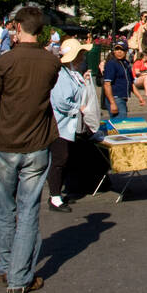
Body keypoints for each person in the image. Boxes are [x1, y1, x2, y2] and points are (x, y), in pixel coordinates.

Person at [0, 5, 60, 293]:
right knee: (28, 209)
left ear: (19, 27)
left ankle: (8, 269)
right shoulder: (52, 63)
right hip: (37, 144)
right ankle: (19, 274)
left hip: (3, 142)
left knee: (4, 208)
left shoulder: (4, 62)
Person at [47, 42, 87, 213]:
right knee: (59, 159)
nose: (83, 58)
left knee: (64, 158)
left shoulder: (72, 74)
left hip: (69, 125)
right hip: (60, 125)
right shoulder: (61, 75)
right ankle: (54, 196)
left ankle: (59, 193)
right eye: (80, 54)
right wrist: (77, 109)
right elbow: (61, 101)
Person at [102, 43, 134, 117]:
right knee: (120, 123)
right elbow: (107, 84)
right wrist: (112, 103)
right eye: (117, 49)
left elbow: (131, 82)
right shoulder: (111, 64)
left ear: (126, 51)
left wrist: (140, 97)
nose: (119, 52)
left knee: (119, 124)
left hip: (123, 98)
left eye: (122, 50)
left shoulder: (126, 64)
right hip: (115, 97)